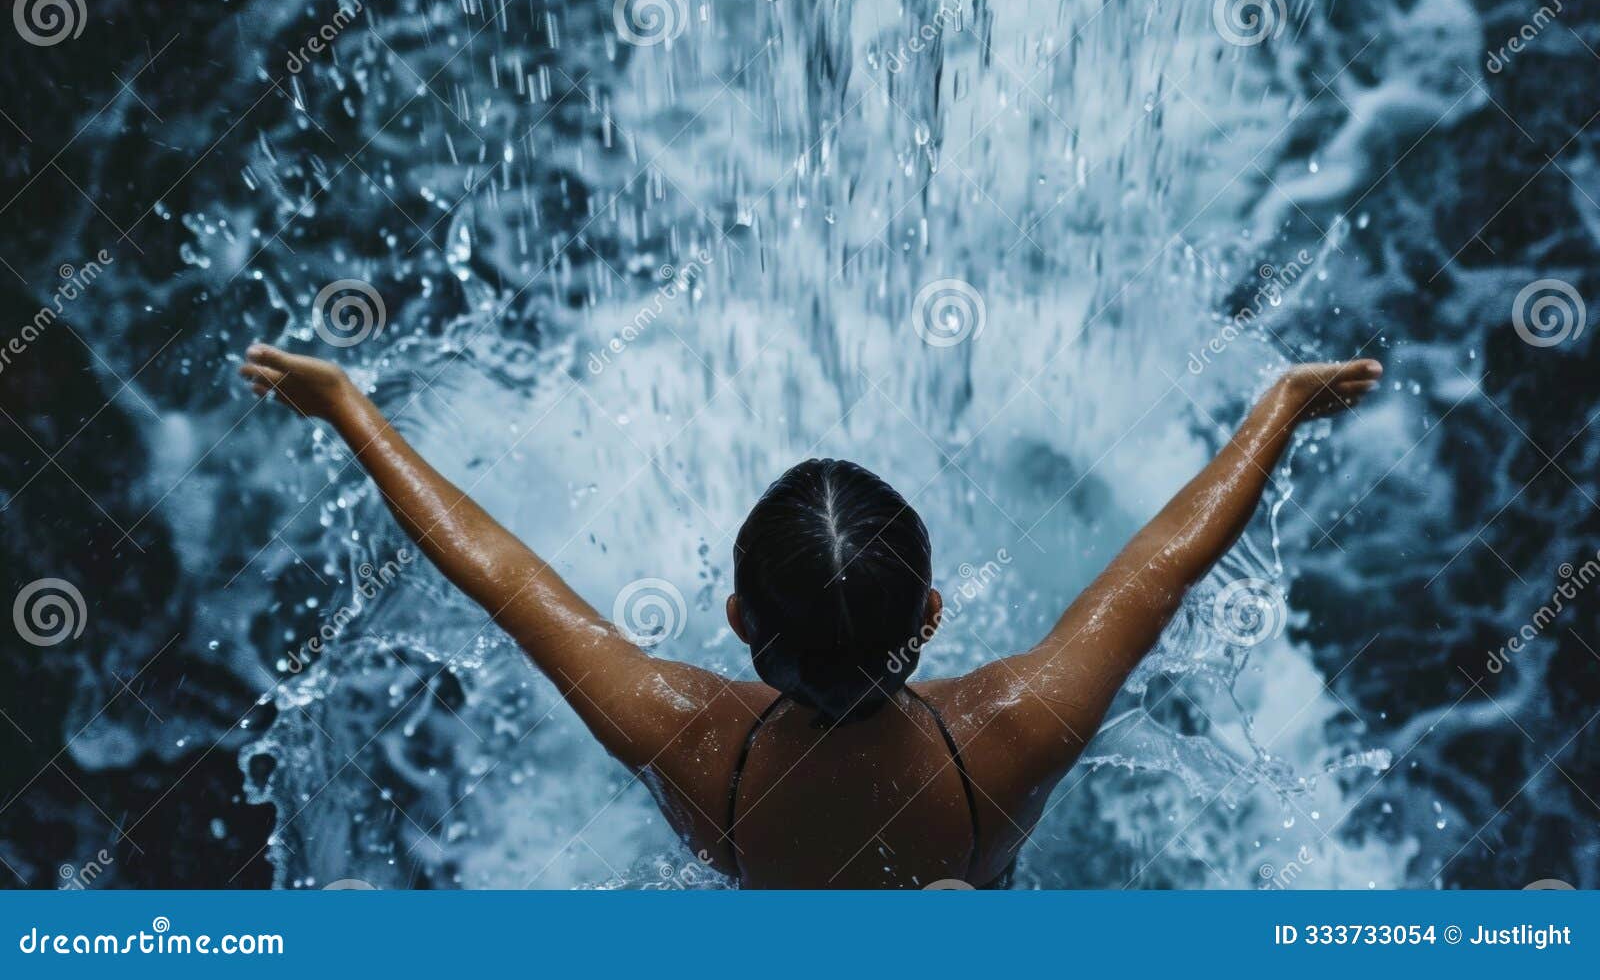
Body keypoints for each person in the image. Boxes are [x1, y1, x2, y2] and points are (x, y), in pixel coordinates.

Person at [239, 344, 1381, 888]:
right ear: (930, 615)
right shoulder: (1014, 733)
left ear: (737, 619)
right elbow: (1157, 570)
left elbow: (499, 572)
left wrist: (351, 410)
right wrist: (1274, 413)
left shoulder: (685, 741)